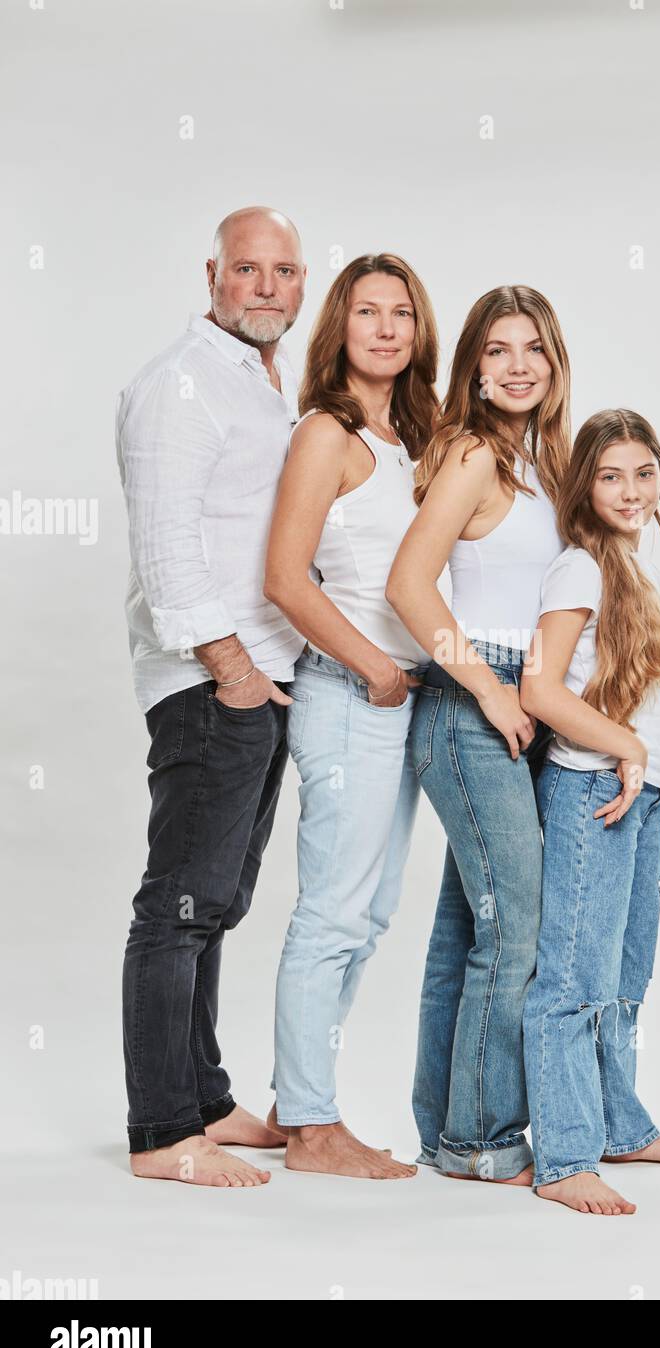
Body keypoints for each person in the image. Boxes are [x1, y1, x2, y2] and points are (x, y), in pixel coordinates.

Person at [117, 206, 307, 1187]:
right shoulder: (180, 384)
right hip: (209, 680)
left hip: (259, 678)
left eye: (283, 271)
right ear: (212, 276)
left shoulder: (256, 385)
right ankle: (160, 1133)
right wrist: (232, 672)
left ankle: (203, 1096)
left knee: (216, 901)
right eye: (248, 268)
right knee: (179, 906)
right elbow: (166, 551)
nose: (266, 286)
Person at [386, 286, 570, 1183]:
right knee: (517, 927)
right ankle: (484, 1138)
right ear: (472, 365)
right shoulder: (472, 455)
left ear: (555, 360)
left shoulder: (549, 461)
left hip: (527, 700)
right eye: (496, 350)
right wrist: (489, 694)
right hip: (473, 706)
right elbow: (410, 586)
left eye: (532, 348)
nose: (516, 366)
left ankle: (446, 1133)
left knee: (471, 929)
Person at [263, 254, 439, 1179]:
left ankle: (296, 1100)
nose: (383, 329)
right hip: (347, 697)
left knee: (367, 915)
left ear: (418, 331)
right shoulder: (325, 434)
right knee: (333, 913)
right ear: (340, 326)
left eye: (400, 314)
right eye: (366, 312)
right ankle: (313, 1126)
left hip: (400, 702)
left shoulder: (414, 436)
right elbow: (284, 578)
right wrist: (374, 667)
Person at [518, 408, 660, 1215]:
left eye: (642, 473)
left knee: (625, 974)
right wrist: (629, 754)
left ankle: (620, 1127)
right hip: (592, 793)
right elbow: (539, 687)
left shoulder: (640, 560)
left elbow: (641, 686)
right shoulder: (578, 569)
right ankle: (563, 1157)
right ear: (583, 485)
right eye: (609, 475)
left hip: (642, 794)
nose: (629, 491)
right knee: (571, 979)